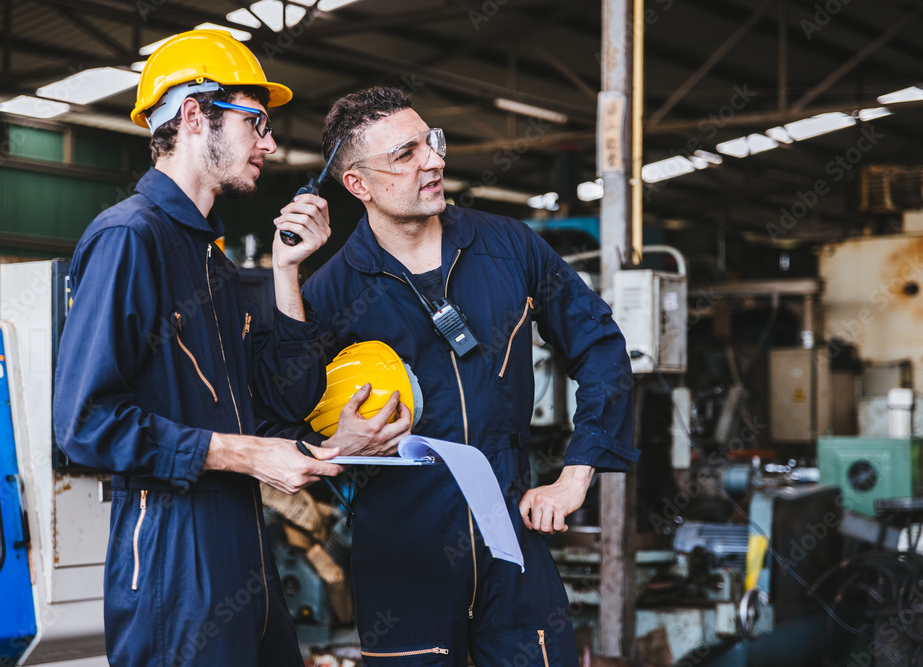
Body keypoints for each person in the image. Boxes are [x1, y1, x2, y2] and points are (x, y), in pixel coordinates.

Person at [297, 87, 639, 666]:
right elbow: (279, 422)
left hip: (515, 548)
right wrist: (337, 447)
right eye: (404, 155)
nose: (432, 160)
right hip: (405, 569)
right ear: (358, 184)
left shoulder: (508, 249)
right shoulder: (328, 294)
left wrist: (576, 475)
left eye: (431, 142)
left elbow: (601, 346)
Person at [53, 30, 345, 666]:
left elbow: (280, 402)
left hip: (243, 542)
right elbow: (84, 423)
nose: (268, 143)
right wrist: (243, 454)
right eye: (256, 121)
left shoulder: (211, 260)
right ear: (193, 115)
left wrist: (286, 273)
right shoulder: (130, 238)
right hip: (171, 550)